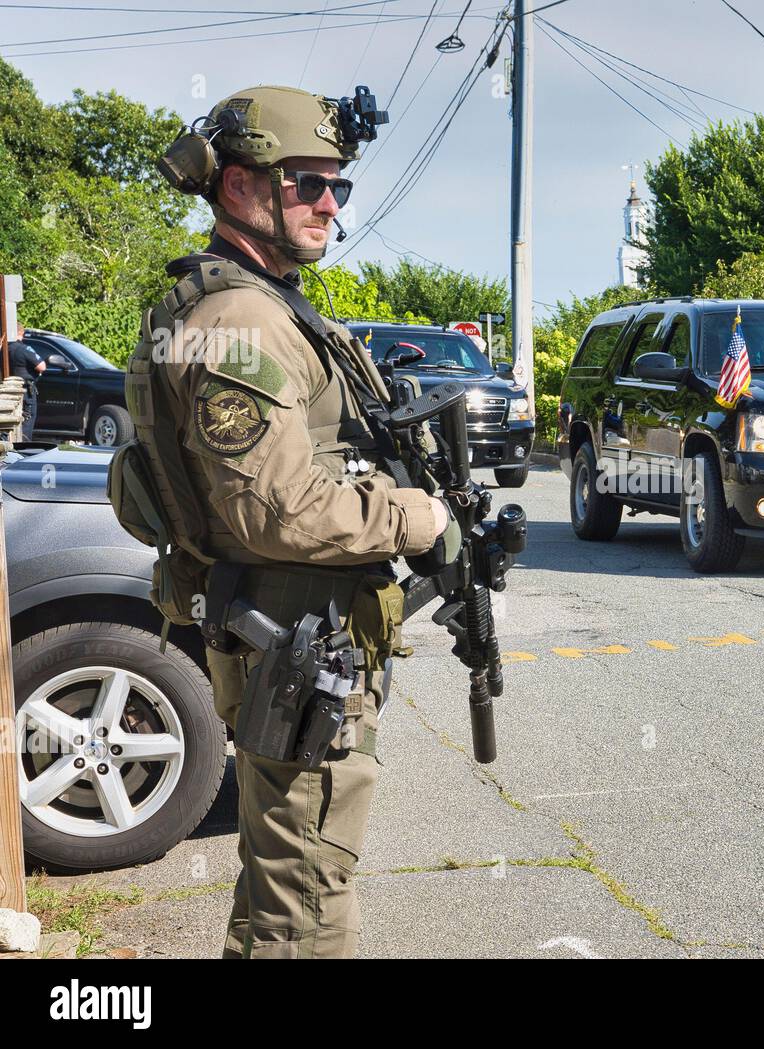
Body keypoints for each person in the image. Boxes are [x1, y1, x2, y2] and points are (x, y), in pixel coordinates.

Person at [125, 85, 456, 958]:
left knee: (285, 874)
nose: (328, 205)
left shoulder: (256, 302)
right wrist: (416, 517)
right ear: (238, 189)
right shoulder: (240, 320)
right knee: (304, 901)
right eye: (307, 182)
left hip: (297, 637)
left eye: (337, 187)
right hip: (297, 643)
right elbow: (275, 509)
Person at [6, 324, 45, 440]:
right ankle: (23, 445)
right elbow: (41, 366)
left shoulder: (4, 349)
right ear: (21, 333)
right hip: (25, 390)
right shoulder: (24, 349)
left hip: (7, 390)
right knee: (27, 418)